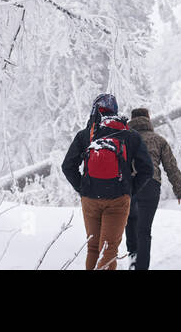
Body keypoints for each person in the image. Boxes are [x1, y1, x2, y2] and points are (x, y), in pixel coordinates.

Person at [61, 93, 153, 270]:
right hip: (118, 198)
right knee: (109, 249)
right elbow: (147, 169)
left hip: (90, 198)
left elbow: (67, 166)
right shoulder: (130, 135)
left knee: (93, 248)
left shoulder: (86, 134)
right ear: (115, 111)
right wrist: (130, 190)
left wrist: (82, 187)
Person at [124, 107, 181, 271]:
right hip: (151, 186)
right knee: (144, 230)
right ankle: (141, 267)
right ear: (148, 119)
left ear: (132, 120)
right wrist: (180, 191)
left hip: (129, 186)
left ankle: (133, 256)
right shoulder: (159, 140)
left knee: (130, 221)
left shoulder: (125, 139)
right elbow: (171, 168)